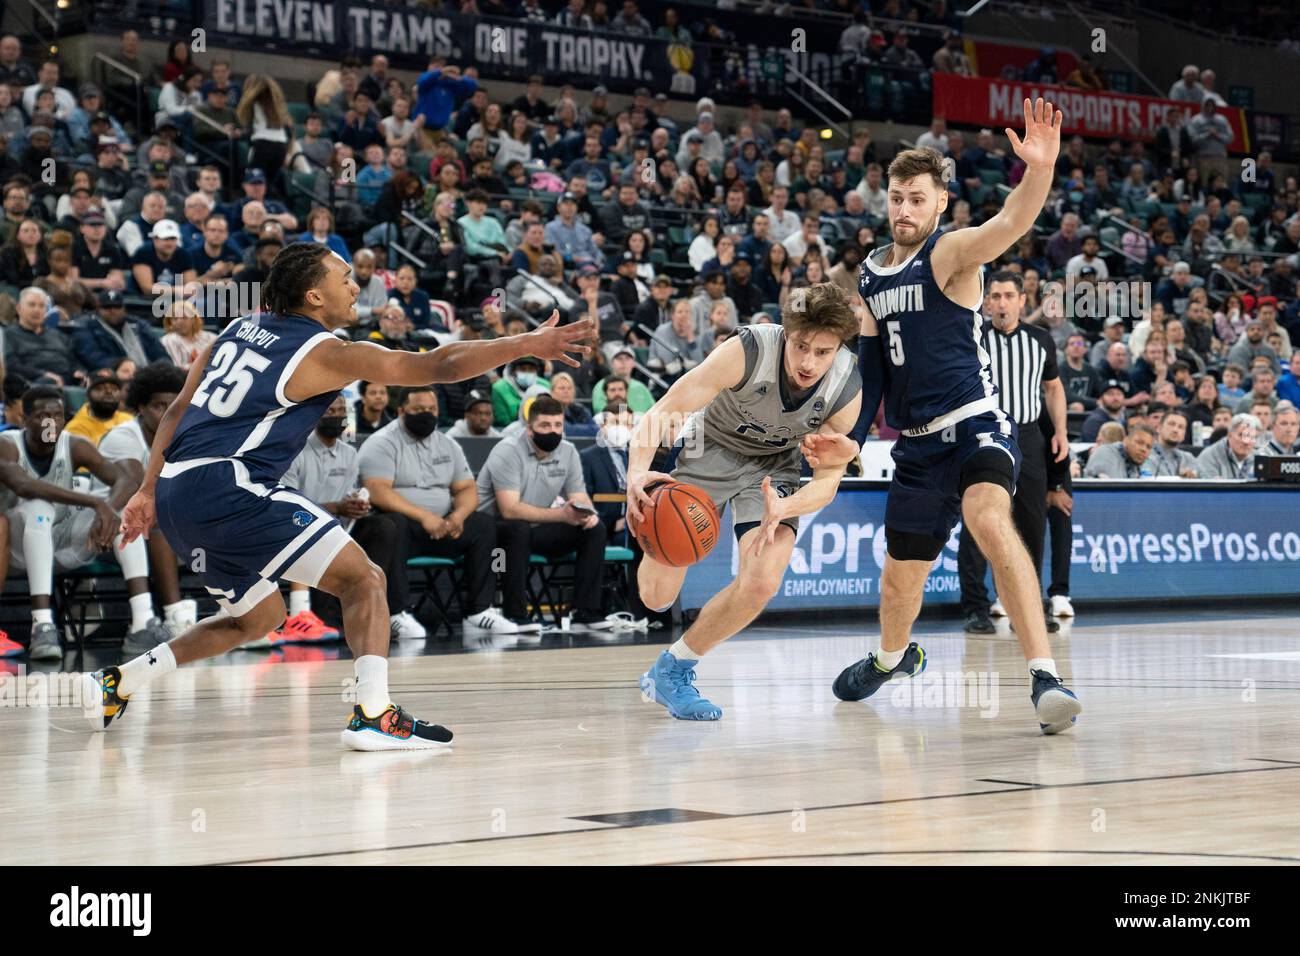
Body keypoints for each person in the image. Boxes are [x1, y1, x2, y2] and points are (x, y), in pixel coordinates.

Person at [96, 243, 594, 751]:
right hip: (231, 485)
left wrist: (148, 489)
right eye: (345, 278)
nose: (357, 287)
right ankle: (375, 715)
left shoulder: (234, 330)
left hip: (179, 489)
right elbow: (440, 365)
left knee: (259, 619)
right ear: (314, 295)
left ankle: (120, 681)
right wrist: (524, 342)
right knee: (364, 579)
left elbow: (178, 410)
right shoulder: (324, 352)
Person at [808, 100, 1082, 734]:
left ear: (938, 205)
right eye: (896, 197)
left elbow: (1012, 220)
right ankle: (890, 658)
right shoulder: (871, 276)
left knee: (989, 516)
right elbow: (872, 374)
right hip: (916, 446)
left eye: (916, 198)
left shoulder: (952, 254)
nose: (903, 208)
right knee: (900, 580)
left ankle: (1044, 675)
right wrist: (849, 441)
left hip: (977, 425)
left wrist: (1038, 171)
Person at [626, 284, 863, 720]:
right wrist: (638, 469)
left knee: (762, 581)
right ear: (786, 332)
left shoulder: (846, 386)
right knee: (655, 595)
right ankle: (661, 588)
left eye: (823, 352)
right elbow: (667, 407)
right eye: (801, 347)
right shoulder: (747, 350)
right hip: (710, 448)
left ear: (839, 349)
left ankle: (674, 668)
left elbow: (828, 481)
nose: (809, 362)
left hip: (775, 469)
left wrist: (787, 508)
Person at [0, 385, 171, 661]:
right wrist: (96, 503)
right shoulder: (8, 444)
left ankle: (142, 621)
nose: (50, 423)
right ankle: (42, 625)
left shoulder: (74, 444)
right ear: (25, 419)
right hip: (17, 549)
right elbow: (24, 485)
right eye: (42, 416)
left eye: (56, 416)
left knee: (124, 515)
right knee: (38, 507)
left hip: (62, 541)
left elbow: (123, 479)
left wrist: (109, 509)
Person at [957, 271, 1067, 636]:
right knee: (978, 522)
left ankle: (1029, 606)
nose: (1001, 303)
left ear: (1023, 300)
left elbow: (1053, 388)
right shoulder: (973, 335)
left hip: (1030, 436)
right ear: (986, 302)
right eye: (995, 296)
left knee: (1031, 524)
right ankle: (975, 608)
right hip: (984, 434)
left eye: (1009, 296)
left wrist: (1062, 432)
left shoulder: (1041, 340)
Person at [359, 385, 517, 636]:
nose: (426, 414)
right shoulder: (381, 442)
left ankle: (479, 612)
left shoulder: (447, 444)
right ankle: (395, 613)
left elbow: (466, 489)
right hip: (405, 528)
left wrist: (458, 516)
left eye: (432, 409)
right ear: (401, 411)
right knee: (392, 525)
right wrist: (423, 516)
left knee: (484, 525)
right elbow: (378, 490)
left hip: (443, 527)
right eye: (419, 409)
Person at [476, 395, 612, 632]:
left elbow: (578, 494)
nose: (553, 431)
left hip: (536, 526)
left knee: (594, 529)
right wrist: (562, 515)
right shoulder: (507, 450)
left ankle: (585, 611)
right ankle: (516, 615)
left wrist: (587, 513)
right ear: (530, 429)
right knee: (517, 528)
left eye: (558, 425)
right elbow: (509, 509)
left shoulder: (568, 451)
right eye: (545, 426)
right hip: (494, 530)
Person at [65, 371, 133, 443]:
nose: (109, 392)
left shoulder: (128, 419)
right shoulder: (75, 428)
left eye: (114, 389)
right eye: (100, 388)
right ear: (88, 394)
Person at [1194, 413, 1259, 479]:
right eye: (1241, 435)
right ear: (1230, 435)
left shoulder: (1259, 458)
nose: (1246, 442)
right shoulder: (1209, 457)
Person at [1084, 421, 1156, 477]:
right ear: (1126, 440)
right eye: (1139, 442)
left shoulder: (1134, 464)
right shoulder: (1106, 454)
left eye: (1148, 447)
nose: (1144, 449)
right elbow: (1113, 492)